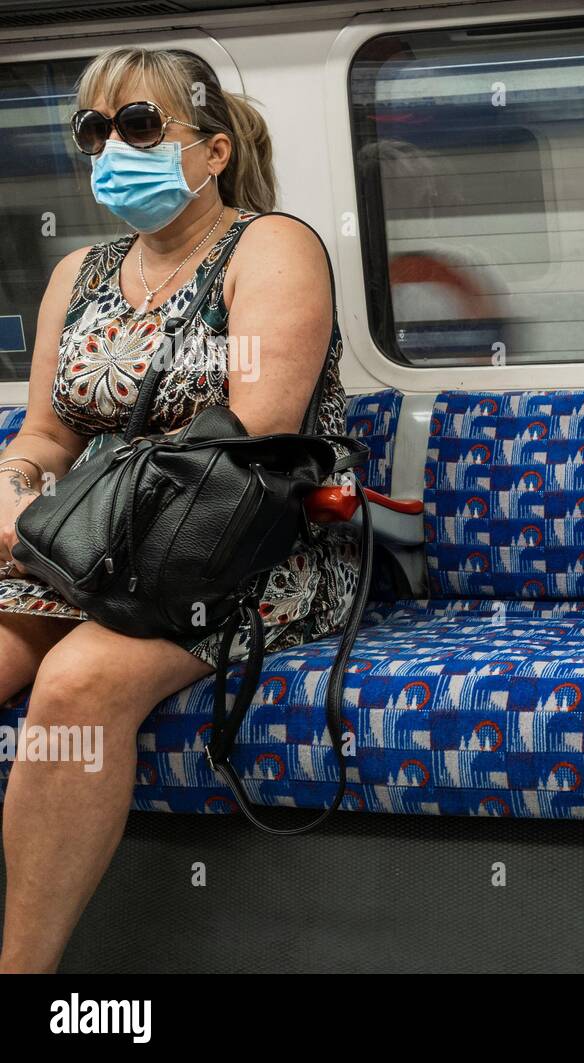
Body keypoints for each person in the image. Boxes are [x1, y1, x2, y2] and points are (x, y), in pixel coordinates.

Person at [0, 46, 355, 972]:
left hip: (231, 551)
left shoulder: (270, 247)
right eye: (96, 130)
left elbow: (253, 428)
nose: (113, 147)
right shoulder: (77, 273)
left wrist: (81, 520)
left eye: (142, 126)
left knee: (75, 684)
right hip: (83, 545)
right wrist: (16, 495)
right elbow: (44, 433)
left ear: (213, 151)